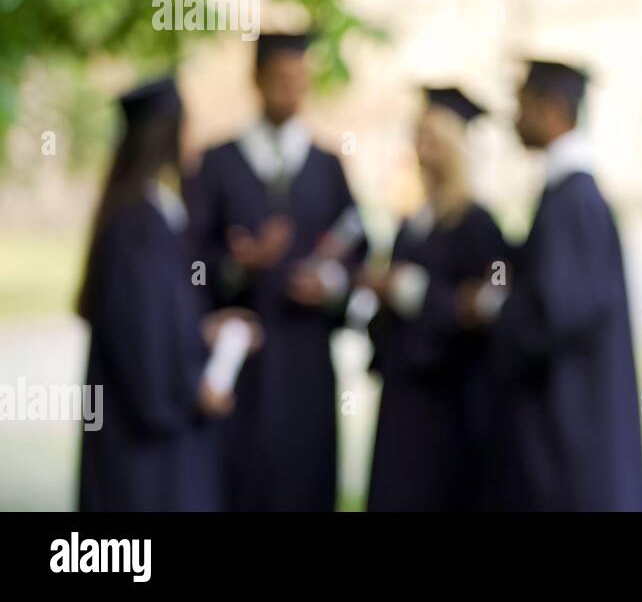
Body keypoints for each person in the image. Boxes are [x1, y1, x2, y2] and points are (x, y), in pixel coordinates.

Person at [187, 33, 366, 511]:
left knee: (305, 477)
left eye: (300, 80)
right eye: (281, 79)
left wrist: (329, 283)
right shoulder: (218, 163)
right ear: (257, 80)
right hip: (242, 357)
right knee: (239, 481)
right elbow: (190, 263)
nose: (292, 90)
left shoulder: (327, 166)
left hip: (307, 356)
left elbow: (357, 252)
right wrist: (233, 267)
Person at [464, 59, 642, 511]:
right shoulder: (565, 196)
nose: (514, 118)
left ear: (552, 110)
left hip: (574, 433)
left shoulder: (574, 201)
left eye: (523, 105)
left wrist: (489, 308)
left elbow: (556, 312)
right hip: (573, 426)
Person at [77, 77, 260, 511]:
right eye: (187, 127)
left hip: (159, 442)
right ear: (167, 136)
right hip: (146, 450)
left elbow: (159, 318)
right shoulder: (137, 227)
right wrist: (195, 389)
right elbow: (139, 340)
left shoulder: (155, 216)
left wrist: (206, 330)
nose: (193, 140)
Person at [364, 87, 509, 511]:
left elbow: (487, 306)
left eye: (431, 139)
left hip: (450, 403)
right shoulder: (411, 223)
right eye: (417, 138)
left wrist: (416, 293)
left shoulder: (477, 223)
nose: (421, 150)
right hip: (403, 396)